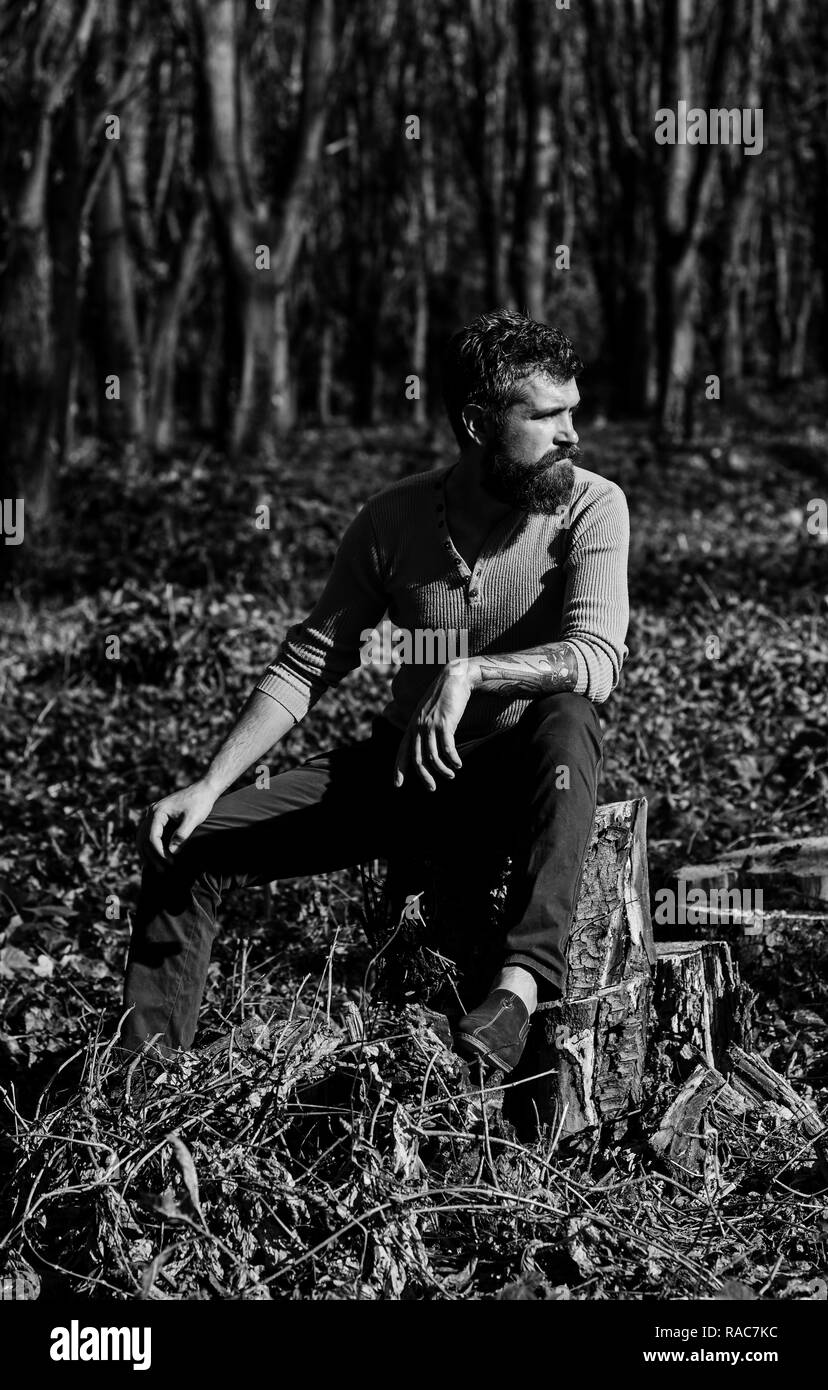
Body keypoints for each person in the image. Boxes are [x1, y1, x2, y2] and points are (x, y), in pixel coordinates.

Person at [124, 309, 630, 1076]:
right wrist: (211, 782)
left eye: (573, 411)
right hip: (409, 771)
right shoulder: (392, 519)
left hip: (523, 771)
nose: (573, 434)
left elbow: (597, 656)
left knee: (569, 714)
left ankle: (518, 989)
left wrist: (471, 671)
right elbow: (307, 664)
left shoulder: (593, 505)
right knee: (187, 844)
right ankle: (138, 1086)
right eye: (548, 415)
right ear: (477, 423)